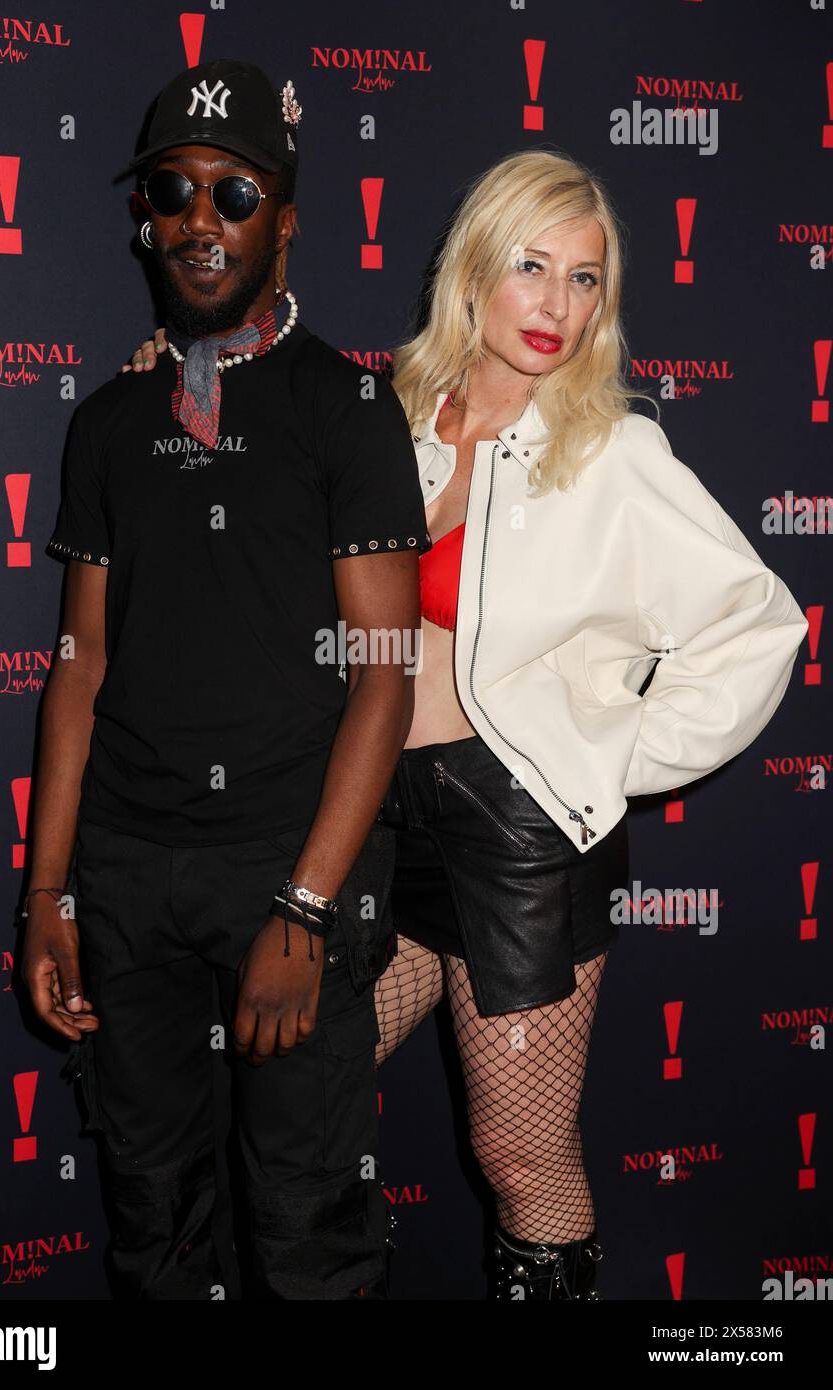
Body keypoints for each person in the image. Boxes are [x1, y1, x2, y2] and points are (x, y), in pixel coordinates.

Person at [126, 148, 809, 1300]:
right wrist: (185, 380)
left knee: (520, 1155)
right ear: (475, 270)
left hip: (516, 846)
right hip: (377, 825)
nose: (556, 304)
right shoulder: (386, 414)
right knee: (288, 1082)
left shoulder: (613, 452)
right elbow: (251, 513)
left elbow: (760, 623)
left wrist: (598, 755)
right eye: (531, 266)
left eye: (585, 279)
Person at [21, 58, 431, 1301]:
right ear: (144, 214)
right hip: (127, 874)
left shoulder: (348, 408)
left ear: (285, 217)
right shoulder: (107, 421)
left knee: (306, 1236)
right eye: (175, 191)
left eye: (235, 193)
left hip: (287, 863)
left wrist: (303, 910)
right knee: (153, 1224)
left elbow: (384, 678)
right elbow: (80, 666)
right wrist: (49, 891)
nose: (201, 218)